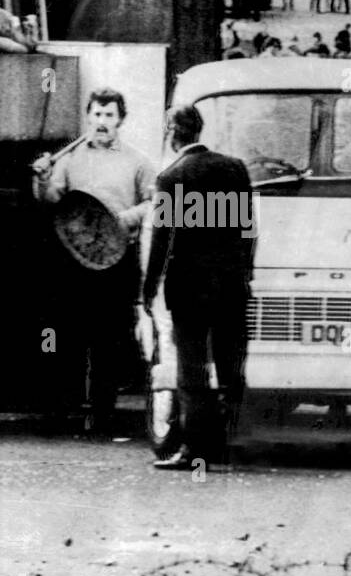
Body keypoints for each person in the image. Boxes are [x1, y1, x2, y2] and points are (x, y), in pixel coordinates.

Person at [33, 88, 156, 435]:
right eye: (97, 115)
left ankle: (102, 415)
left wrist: (124, 219)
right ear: (89, 116)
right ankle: (62, 412)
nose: (102, 122)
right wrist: (43, 176)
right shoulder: (70, 159)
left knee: (108, 340)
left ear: (120, 120)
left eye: (109, 116)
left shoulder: (138, 161)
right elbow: (51, 200)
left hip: (115, 261)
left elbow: (156, 202)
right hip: (73, 259)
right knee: (65, 336)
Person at [144, 104, 257, 469]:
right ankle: (234, 444)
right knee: (231, 366)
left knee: (192, 370)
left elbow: (163, 241)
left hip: (189, 287)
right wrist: (245, 272)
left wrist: (148, 290)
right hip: (230, 284)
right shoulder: (234, 169)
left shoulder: (171, 177)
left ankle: (195, 450)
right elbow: (247, 229)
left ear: (171, 132)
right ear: (200, 130)